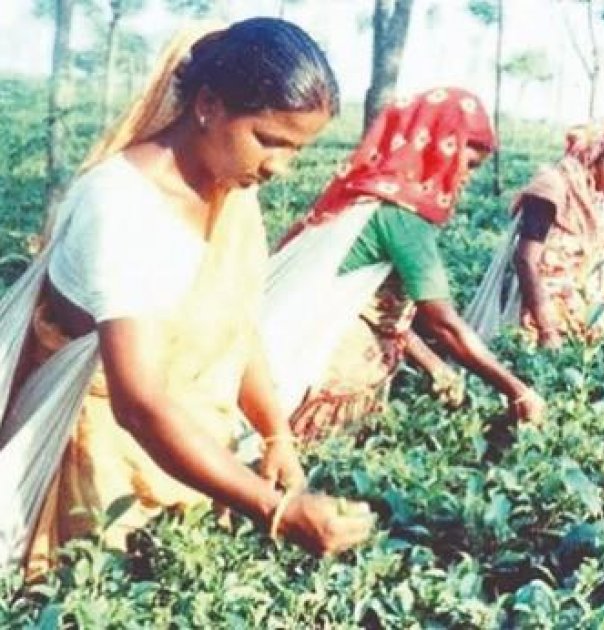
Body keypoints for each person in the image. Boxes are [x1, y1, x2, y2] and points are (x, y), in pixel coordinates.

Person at [0, 19, 374, 576]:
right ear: (207, 106)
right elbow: (140, 404)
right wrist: (279, 512)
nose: (279, 167)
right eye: (269, 140)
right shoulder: (123, 206)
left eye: (296, 150)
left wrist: (277, 434)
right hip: (100, 464)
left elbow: (235, 325)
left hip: (188, 451)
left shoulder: (228, 189)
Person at [272, 88, 546, 443]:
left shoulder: (371, 195)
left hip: (312, 351)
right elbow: (443, 323)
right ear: (437, 147)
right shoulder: (402, 216)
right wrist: (516, 390)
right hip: (329, 368)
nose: (467, 177)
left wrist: (433, 365)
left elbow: (378, 308)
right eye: (469, 164)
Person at [508, 122, 604, 349]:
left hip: (577, 331)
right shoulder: (553, 187)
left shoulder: (597, 203)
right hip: (536, 326)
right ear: (602, 154)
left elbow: (595, 272)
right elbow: (525, 260)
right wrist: (547, 328)